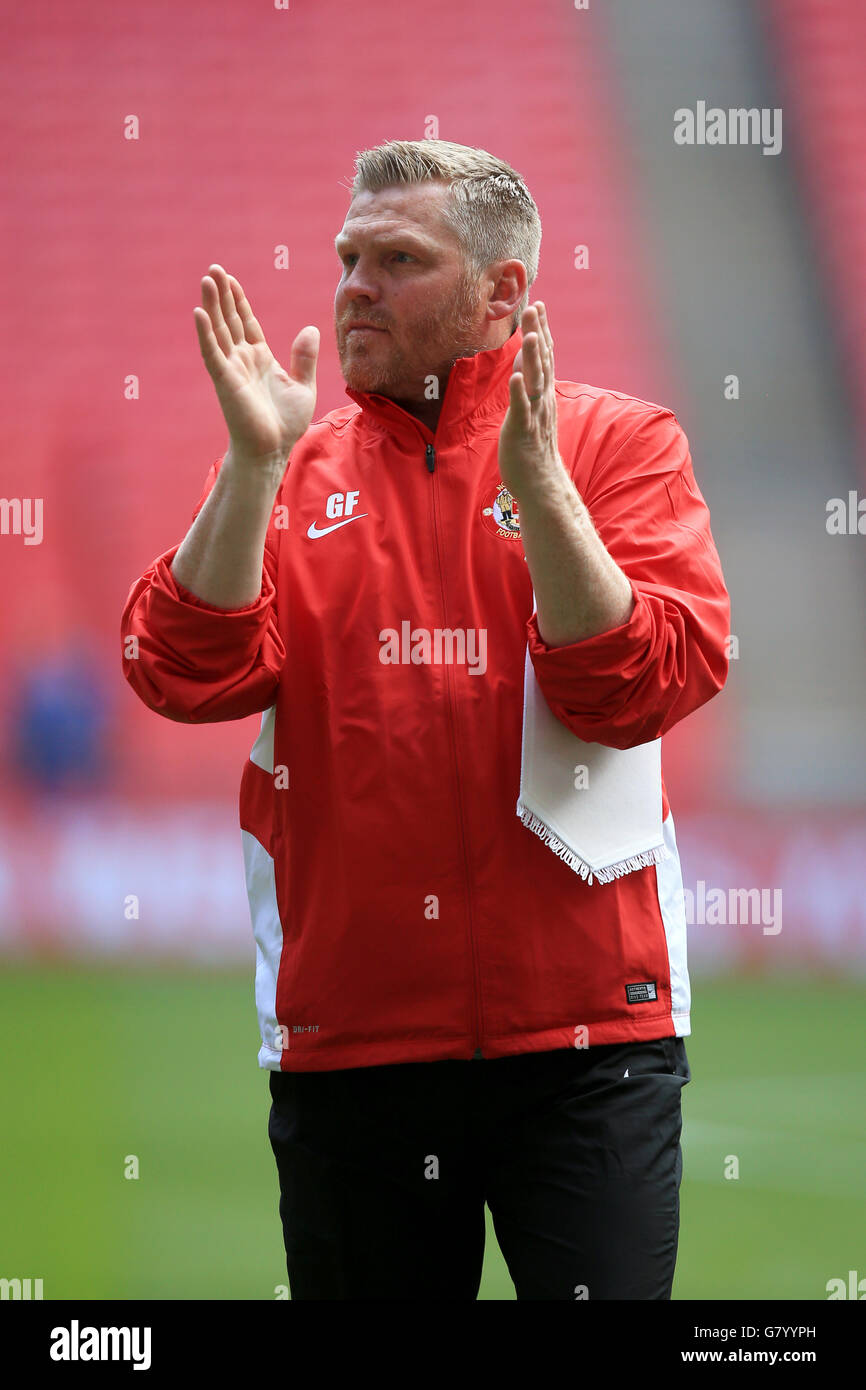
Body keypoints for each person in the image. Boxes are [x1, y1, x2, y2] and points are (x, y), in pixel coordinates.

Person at [121, 139, 730, 1300]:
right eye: (350, 254)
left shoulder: (617, 447)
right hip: (355, 1049)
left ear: (502, 291)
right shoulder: (289, 473)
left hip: (588, 1043)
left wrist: (540, 492)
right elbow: (175, 669)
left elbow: (647, 680)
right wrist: (252, 463)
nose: (351, 282)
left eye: (398, 258)